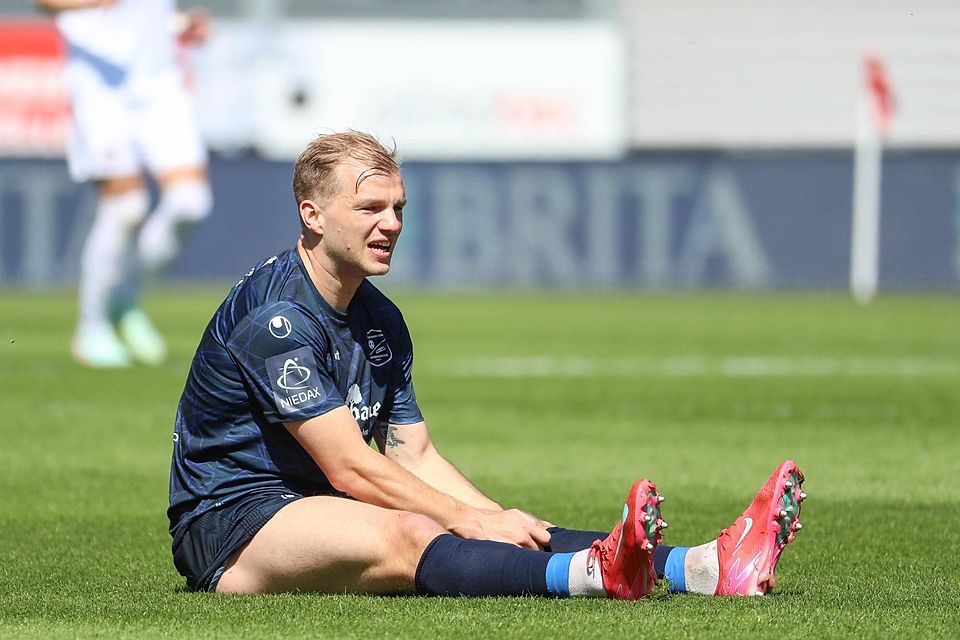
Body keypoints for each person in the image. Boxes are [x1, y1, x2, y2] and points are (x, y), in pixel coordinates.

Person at [167, 131, 806, 598]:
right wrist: (467, 521)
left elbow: (413, 455)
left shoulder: (380, 319)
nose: (391, 224)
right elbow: (353, 467)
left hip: (313, 502)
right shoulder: (275, 318)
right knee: (416, 534)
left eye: (398, 209)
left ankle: (701, 567)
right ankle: (594, 578)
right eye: (370, 209)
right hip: (233, 522)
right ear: (312, 215)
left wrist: (500, 523)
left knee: (514, 529)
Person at [35, 0, 213, 367]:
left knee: (190, 202)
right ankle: (91, 327)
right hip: (102, 90)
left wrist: (179, 24)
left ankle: (124, 292)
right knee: (126, 208)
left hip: (160, 85)